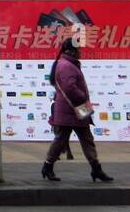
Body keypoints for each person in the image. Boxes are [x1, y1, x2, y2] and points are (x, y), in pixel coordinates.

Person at [42, 38, 113, 183]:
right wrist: (83, 98)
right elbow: (70, 87)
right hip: (72, 109)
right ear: (72, 51)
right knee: (62, 140)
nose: (81, 51)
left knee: (86, 139)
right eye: (79, 49)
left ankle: (96, 169)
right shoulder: (67, 66)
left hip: (75, 110)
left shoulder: (67, 64)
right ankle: (47, 167)